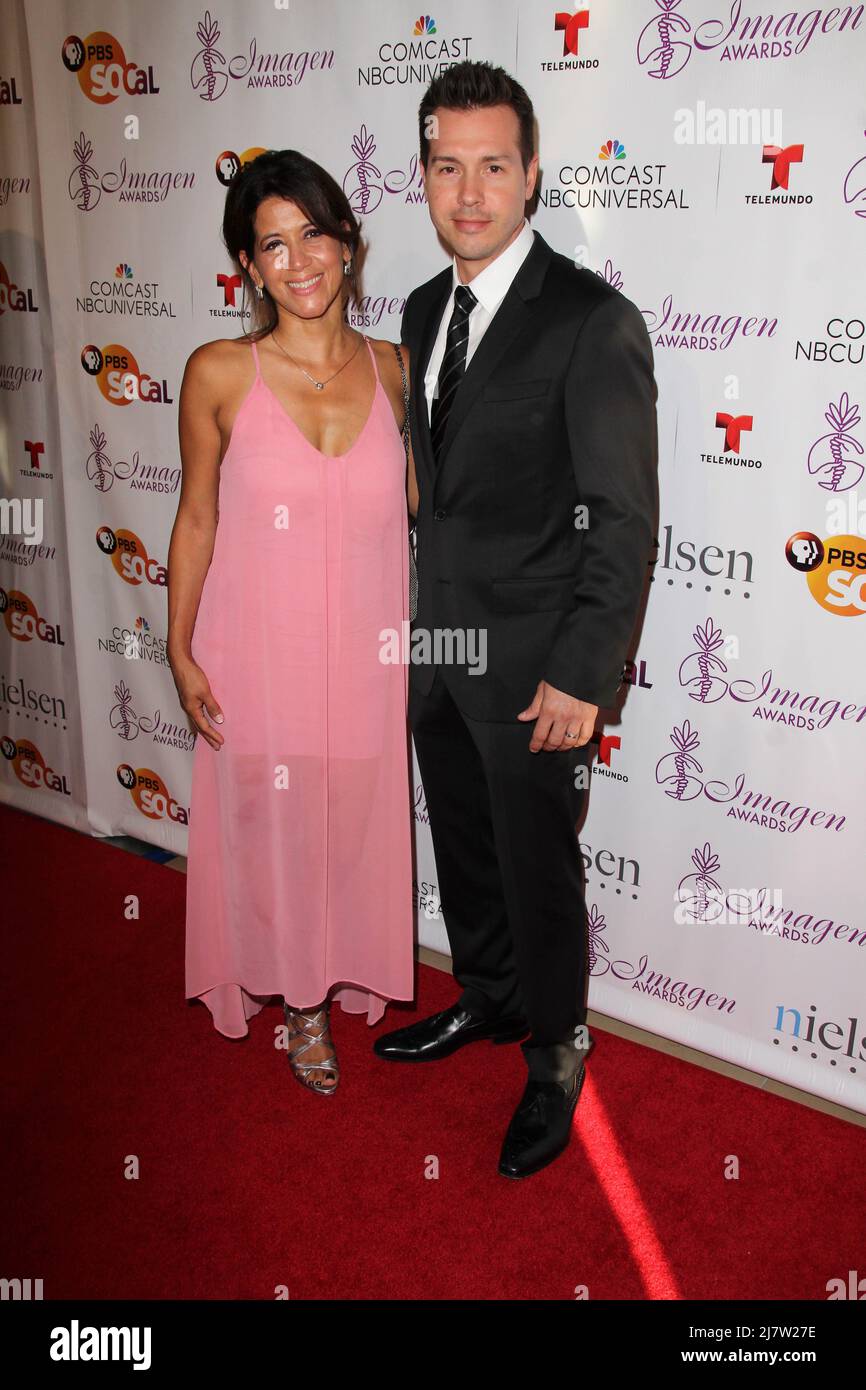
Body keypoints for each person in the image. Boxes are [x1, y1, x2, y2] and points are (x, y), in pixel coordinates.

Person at [373, 62, 659, 1176]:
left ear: (531, 172)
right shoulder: (417, 309)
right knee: (466, 850)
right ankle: (486, 998)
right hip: (440, 655)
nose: (471, 189)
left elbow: (623, 521)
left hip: (539, 667)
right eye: (447, 166)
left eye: (494, 165)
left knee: (539, 869)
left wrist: (585, 673)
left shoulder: (592, 321)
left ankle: (553, 1048)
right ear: (424, 176)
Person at [168, 149, 418, 1095]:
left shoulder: (399, 370)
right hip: (255, 648)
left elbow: (430, 507)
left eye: (314, 232)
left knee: (349, 818)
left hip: (364, 651)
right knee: (269, 822)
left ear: (348, 243)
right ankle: (300, 1008)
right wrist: (177, 645)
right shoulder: (219, 373)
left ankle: (339, 965)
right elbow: (196, 516)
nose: (299, 259)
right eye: (272, 244)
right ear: (248, 266)